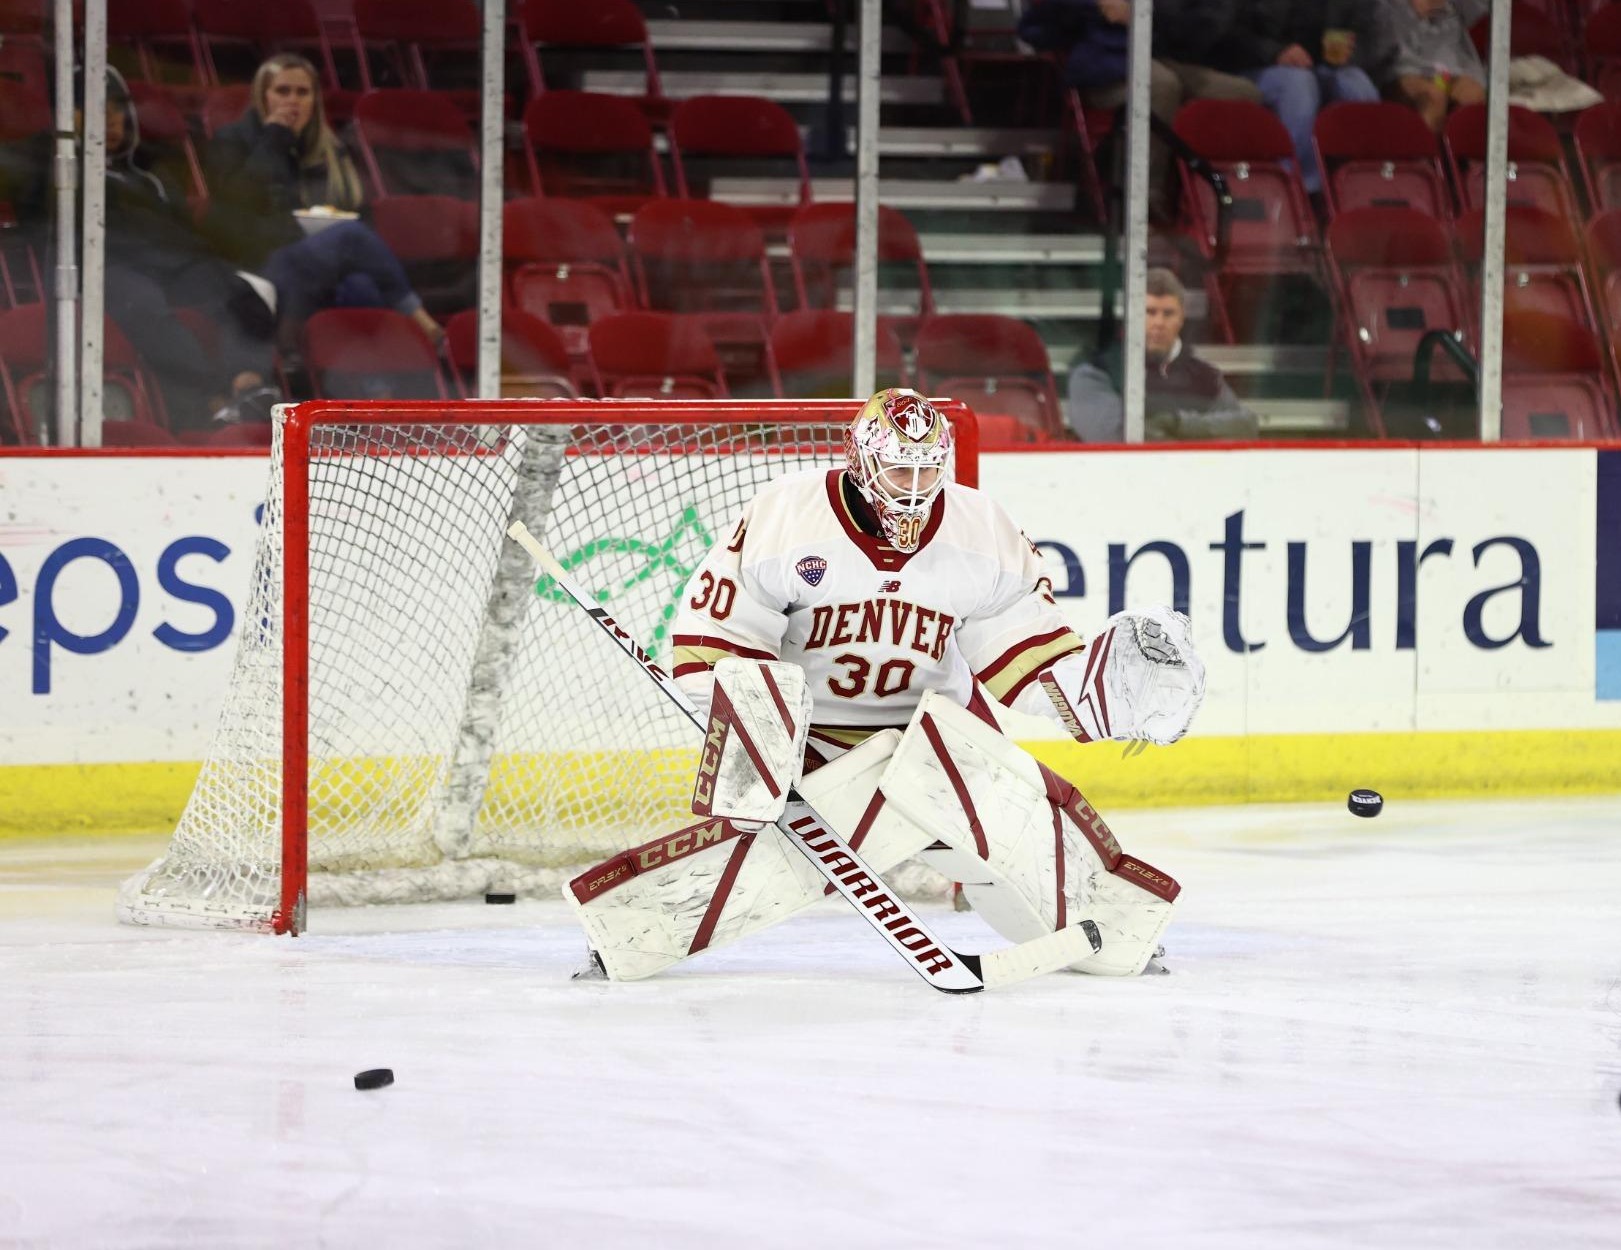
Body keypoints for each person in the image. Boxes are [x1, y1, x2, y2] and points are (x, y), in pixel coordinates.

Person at [563, 389, 1203, 983]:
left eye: (930, 472)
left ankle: (1121, 932)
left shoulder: (983, 533)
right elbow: (717, 638)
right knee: (780, 862)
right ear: (863, 462)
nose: (917, 489)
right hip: (813, 744)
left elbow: (1021, 656)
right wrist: (761, 738)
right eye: (902, 471)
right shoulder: (787, 515)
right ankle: (625, 929)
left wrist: (1100, 694)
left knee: (1028, 812)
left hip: (933, 737)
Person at [25, 68, 283, 430]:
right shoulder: (55, 167)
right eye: (96, 109)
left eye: (117, 110)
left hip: (171, 264)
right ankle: (214, 400)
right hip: (104, 266)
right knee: (145, 304)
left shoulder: (148, 175)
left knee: (246, 290)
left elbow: (184, 233)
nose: (111, 120)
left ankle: (249, 388)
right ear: (69, 115)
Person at [203, 54, 444, 350]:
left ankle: (373, 391)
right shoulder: (233, 139)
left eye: (302, 93)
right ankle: (423, 324)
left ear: (314, 100)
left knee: (361, 287)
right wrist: (275, 137)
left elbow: (358, 213)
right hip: (260, 267)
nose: (292, 101)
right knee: (350, 236)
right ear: (262, 96)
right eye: (282, 91)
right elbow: (239, 200)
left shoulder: (327, 149)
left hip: (316, 266)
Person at [1019, 0, 1263, 219]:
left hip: (1167, 55)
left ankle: (1229, 199)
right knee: (1161, 85)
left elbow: (1205, 20)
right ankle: (1144, 196)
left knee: (1244, 93)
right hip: (1108, 63)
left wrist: (1146, 12)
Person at [1208, 0, 1381, 194]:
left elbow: (1367, 38)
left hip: (1318, 66)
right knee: (1299, 84)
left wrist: (1352, 53)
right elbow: (1225, 31)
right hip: (1255, 64)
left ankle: (1360, 190)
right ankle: (1302, 192)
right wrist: (1276, 52)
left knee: (1358, 85)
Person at [1067, 268, 1257, 442]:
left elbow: (1246, 426)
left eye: (1168, 313)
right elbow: (1113, 436)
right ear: (1132, 316)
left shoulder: (1206, 376)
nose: (1159, 323)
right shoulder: (1095, 371)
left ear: (1181, 318)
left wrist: (1177, 423)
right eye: (1150, 312)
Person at [1377, 0, 1489, 132]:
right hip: (1402, 68)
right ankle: (1424, 151)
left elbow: (1485, 7)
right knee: (1433, 96)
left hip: (1448, 71)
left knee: (1472, 94)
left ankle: (1456, 151)